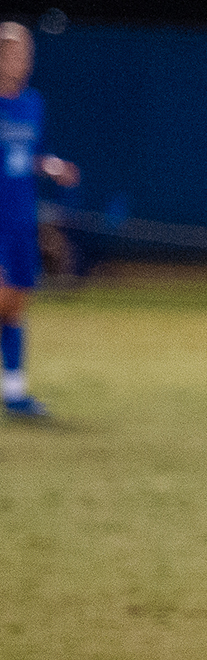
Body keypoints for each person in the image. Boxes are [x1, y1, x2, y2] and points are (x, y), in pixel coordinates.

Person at [0, 22, 80, 419]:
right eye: (14, 54)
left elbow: (33, 154)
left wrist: (53, 167)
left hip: (19, 216)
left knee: (16, 302)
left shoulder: (32, 103)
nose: (22, 62)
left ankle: (14, 392)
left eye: (27, 54)